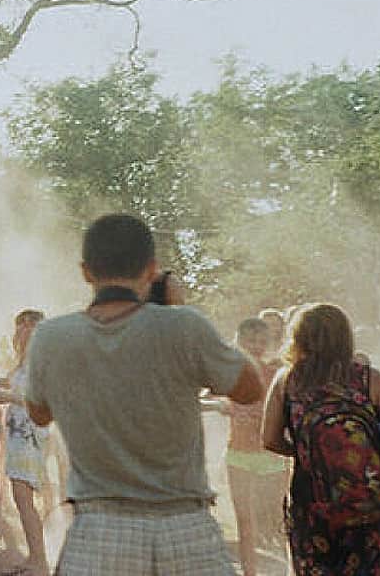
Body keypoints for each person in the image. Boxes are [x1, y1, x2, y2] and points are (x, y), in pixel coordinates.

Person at [26, 213, 262, 576]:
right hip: (185, 527)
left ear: (86, 272)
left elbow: (39, 414)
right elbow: (249, 388)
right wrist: (178, 308)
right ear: (151, 269)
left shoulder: (50, 337)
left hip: (100, 531)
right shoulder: (184, 326)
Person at [261, 303, 380, 576]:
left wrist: (309, 453)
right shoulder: (369, 379)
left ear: (298, 338)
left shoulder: (288, 381)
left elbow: (268, 439)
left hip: (312, 504)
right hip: (369, 505)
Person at [220, 318, 286, 576]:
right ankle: (250, 572)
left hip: (271, 453)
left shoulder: (277, 370)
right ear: (239, 341)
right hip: (238, 453)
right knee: (245, 522)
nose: (257, 346)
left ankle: (288, 568)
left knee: (278, 519)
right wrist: (223, 406)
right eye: (250, 341)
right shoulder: (230, 370)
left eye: (262, 341)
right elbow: (206, 395)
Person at [0, 309, 49, 575]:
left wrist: (7, 395)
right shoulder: (22, 362)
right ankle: (35, 556)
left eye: (30, 325)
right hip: (16, 434)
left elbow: (41, 400)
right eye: (20, 325)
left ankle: (39, 559)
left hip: (29, 435)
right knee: (20, 496)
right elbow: (7, 383)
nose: (24, 330)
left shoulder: (43, 362)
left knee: (23, 496)